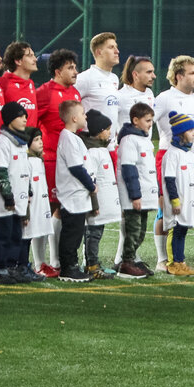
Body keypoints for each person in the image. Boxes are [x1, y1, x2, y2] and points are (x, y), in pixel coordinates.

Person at [153, 55, 194, 272]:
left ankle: (177, 258)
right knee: (165, 209)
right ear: (179, 76)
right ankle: (162, 259)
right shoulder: (164, 98)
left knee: (185, 209)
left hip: (190, 157)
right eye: (192, 73)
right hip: (168, 155)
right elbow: (148, 119)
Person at [34, 48, 81, 277]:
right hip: (50, 160)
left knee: (62, 209)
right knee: (45, 209)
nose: (75, 71)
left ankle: (56, 260)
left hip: (70, 161)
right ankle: (39, 262)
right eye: (70, 68)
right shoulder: (44, 92)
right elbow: (32, 122)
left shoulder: (75, 93)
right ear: (57, 70)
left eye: (75, 67)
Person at [0, 101, 32, 284]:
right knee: (3, 234)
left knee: (16, 234)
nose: (24, 119)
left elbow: (25, 169)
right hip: (6, 200)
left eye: (25, 116)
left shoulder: (21, 142)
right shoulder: (2, 142)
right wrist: (8, 196)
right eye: (20, 116)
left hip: (19, 198)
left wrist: (28, 190)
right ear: (9, 119)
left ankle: (12, 268)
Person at [115, 102, 158, 278]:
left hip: (145, 195)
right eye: (147, 120)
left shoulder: (143, 139)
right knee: (133, 231)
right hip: (136, 197)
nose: (150, 124)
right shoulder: (129, 140)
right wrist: (135, 195)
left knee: (140, 231)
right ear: (135, 120)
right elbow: (129, 168)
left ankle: (131, 261)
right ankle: (127, 263)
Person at [55, 99, 96, 282]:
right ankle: (68, 268)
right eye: (82, 113)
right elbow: (76, 167)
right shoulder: (68, 138)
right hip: (72, 194)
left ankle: (72, 265)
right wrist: (91, 185)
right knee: (71, 233)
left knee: (76, 232)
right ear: (73, 118)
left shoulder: (73, 137)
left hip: (78, 195)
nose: (85, 116)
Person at [160, 111, 194, 277]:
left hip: (189, 200)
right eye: (190, 131)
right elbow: (170, 179)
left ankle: (181, 261)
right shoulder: (172, 155)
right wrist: (174, 200)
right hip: (178, 201)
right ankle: (172, 263)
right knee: (175, 229)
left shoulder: (189, 154)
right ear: (181, 133)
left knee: (183, 230)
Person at [81, 110, 119, 279]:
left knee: (97, 232)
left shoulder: (101, 149)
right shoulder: (93, 152)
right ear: (98, 130)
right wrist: (94, 204)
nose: (110, 132)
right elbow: (91, 180)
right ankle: (92, 265)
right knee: (93, 233)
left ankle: (93, 262)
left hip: (104, 203)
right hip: (97, 204)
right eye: (107, 129)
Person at [22, 128, 53, 279]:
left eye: (41, 139)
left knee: (40, 231)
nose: (41, 142)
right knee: (26, 235)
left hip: (40, 205)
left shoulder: (38, 160)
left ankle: (39, 264)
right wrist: (26, 210)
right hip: (30, 207)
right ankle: (24, 265)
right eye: (36, 140)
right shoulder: (27, 161)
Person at [76, 31, 121, 120]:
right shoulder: (85, 78)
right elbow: (66, 106)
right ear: (99, 52)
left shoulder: (114, 78)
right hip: (89, 134)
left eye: (116, 47)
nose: (117, 51)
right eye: (111, 47)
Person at [0, 42, 39, 128]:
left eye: (34, 55)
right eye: (29, 55)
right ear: (18, 61)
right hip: (12, 139)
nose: (35, 59)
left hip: (30, 139)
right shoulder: (2, 83)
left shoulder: (31, 84)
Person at [117, 56, 156, 133]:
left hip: (146, 144)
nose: (154, 76)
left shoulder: (149, 93)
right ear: (135, 75)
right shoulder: (121, 96)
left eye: (153, 72)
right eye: (149, 72)